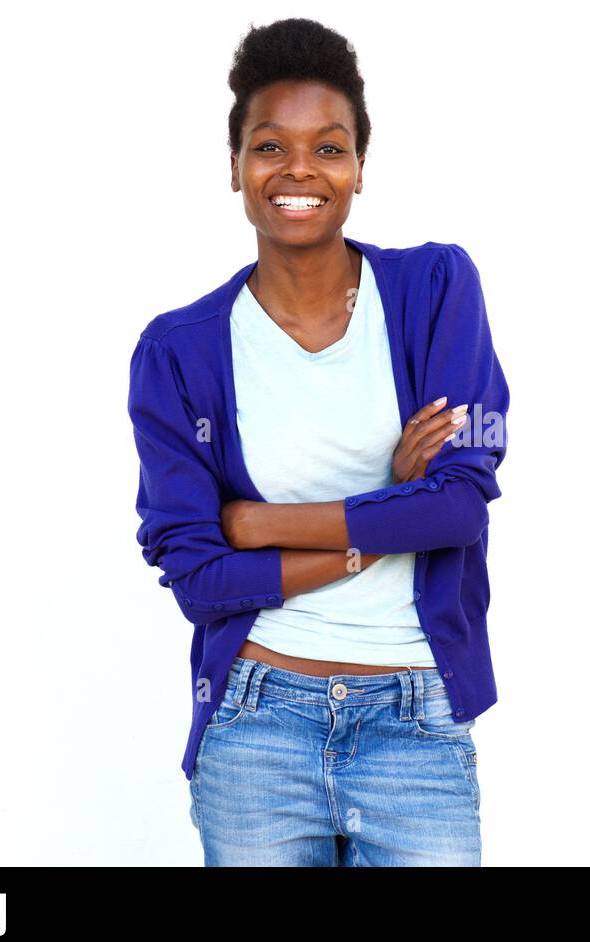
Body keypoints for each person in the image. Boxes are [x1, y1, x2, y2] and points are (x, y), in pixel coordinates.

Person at [126, 17, 509, 866]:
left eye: (329, 148)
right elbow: (198, 577)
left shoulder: (435, 289)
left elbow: (456, 511)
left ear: (360, 168)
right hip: (259, 721)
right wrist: (378, 525)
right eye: (270, 146)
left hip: (417, 718)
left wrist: (263, 524)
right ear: (234, 167)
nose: (299, 170)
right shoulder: (179, 353)